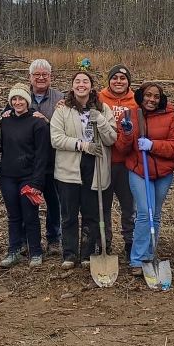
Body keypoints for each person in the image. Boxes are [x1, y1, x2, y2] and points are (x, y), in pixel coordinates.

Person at [49, 71, 117, 269]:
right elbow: (56, 138)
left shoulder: (103, 109)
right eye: (77, 81)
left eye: (85, 81)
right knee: (69, 214)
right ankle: (69, 254)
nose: (81, 85)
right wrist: (82, 145)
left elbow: (111, 139)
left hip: (95, 167)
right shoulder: (62, 110)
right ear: (72, 86)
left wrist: (101, 121)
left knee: (91, 214)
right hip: (69, 169)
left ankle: (87, 254)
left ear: (91, 86)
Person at [115, 82, 174, 277]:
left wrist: (152, 145)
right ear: (141, 96)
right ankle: (137, 258)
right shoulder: (129, 115)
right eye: (148, 95)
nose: (151, 99)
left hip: (163, 173)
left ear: (161, 100)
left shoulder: (170, 116)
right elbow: (122, 149)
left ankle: (151, 253)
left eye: (156, 97)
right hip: (139, 170)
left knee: (156, 214)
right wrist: (127, 134)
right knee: (145, 211)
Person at [0, 83, 50, 268]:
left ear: (27, 101)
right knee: (13, 215)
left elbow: (42, 154)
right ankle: (14, 249)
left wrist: (37, 182)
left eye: (21, 99)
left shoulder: (38, 123)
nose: (18, 102)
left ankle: (35, 251)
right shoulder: (4, 121)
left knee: (30, 215)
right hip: (7, 176)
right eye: (14, 99)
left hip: (29, 177)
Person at [24, 59, 64, 256]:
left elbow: (66, 127)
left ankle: (54, 237)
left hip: (53, 159)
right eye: (36, 75)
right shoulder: (21, 96)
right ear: (30, 77)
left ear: (50, 77)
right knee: (27, 200)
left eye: (44, 75)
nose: (40, 78)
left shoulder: (60, 98)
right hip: (27, 160)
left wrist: (47, 122)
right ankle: (27, 240)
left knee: (54, 201)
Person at [98, 64, 136, 260]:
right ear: (109, 81)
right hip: (103, 161)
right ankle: (105, 243)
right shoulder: (99, 98)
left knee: (128, 207)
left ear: (128, 81)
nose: (119, 81)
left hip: (125, 163)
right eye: (115, 78)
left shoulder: (135, 101)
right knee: (102, 206)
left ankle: (130, 243)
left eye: (123, 78)